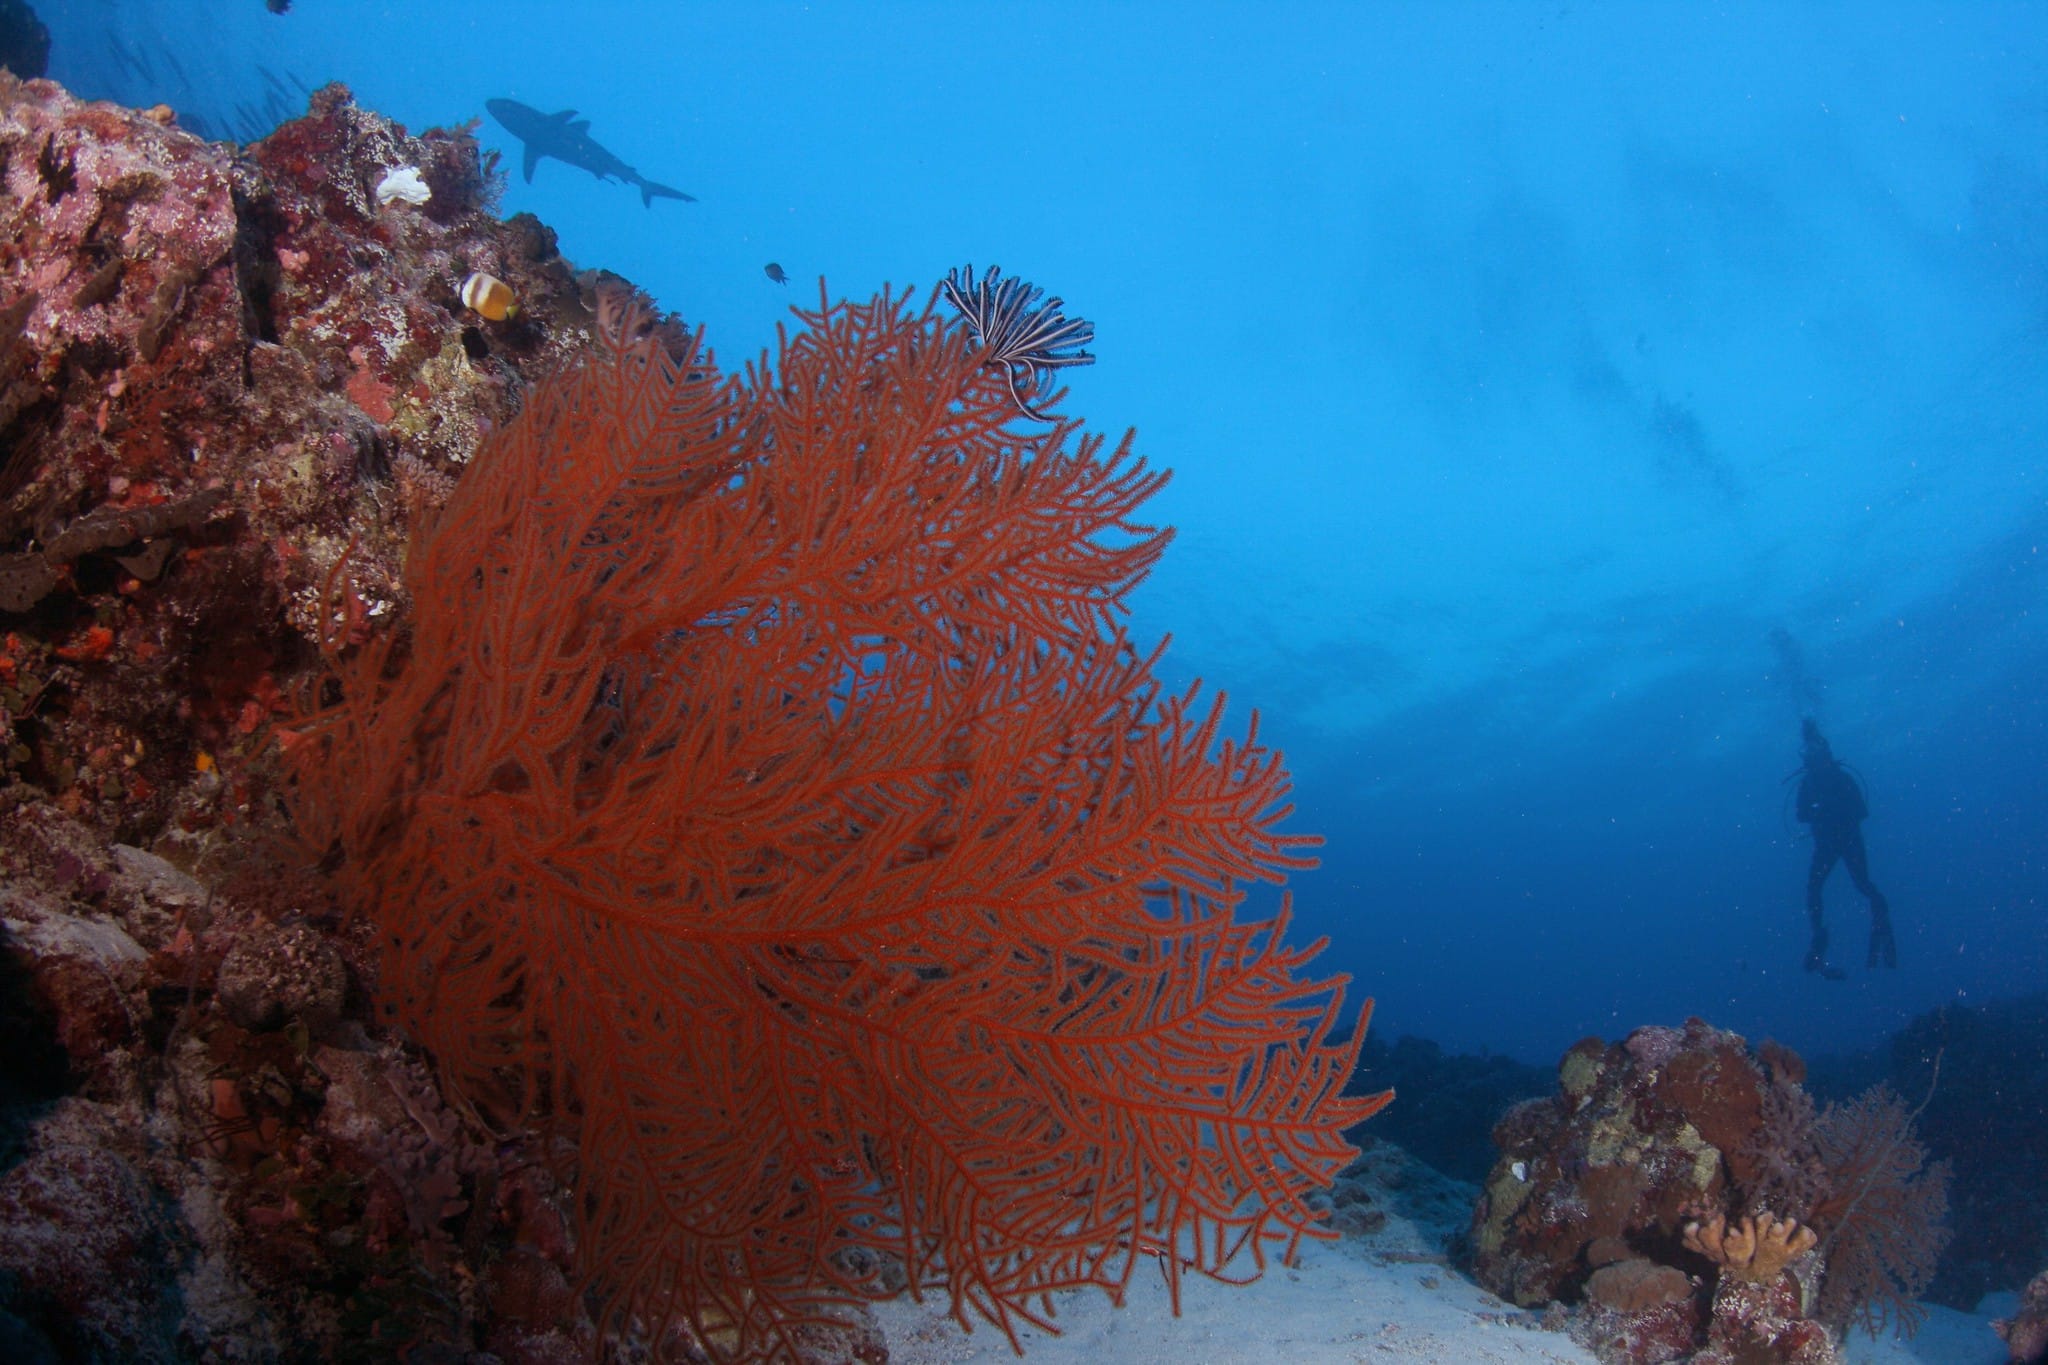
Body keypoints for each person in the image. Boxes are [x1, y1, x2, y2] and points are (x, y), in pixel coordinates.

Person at [1795, 717, 1896, 976]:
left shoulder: (1827, 781)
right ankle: (1824, 933)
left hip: (1837, 841)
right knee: (1856, 885)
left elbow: (1805, 815)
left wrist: (1827, 813)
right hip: (1843, 841)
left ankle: (1822, 932)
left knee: (1827, 887)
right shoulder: (1820, 782)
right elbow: (1804, 814)